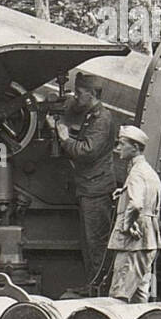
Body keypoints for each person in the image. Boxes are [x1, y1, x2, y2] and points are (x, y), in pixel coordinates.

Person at [49, 72, 118, 288]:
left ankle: (99, 290)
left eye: (80, 93)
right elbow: (73, 106)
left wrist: (63, 137)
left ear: (92, 94)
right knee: (89, 243)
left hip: (96, 189)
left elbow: (86, 152)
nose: (76, 97)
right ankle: (93, 285)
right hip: (89, 187)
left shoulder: (101, 119)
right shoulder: (91, 114)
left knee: (96, 243)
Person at [106, 125, 161, 304]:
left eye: (122, 144)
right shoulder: (149, 172)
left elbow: (136, 204)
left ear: (135, 147)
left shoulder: (136, 173)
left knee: (119, 296)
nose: (118, 148)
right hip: (147, 241)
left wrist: (127, 226)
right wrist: (123, 193)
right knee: (139, 297)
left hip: (133, 244)